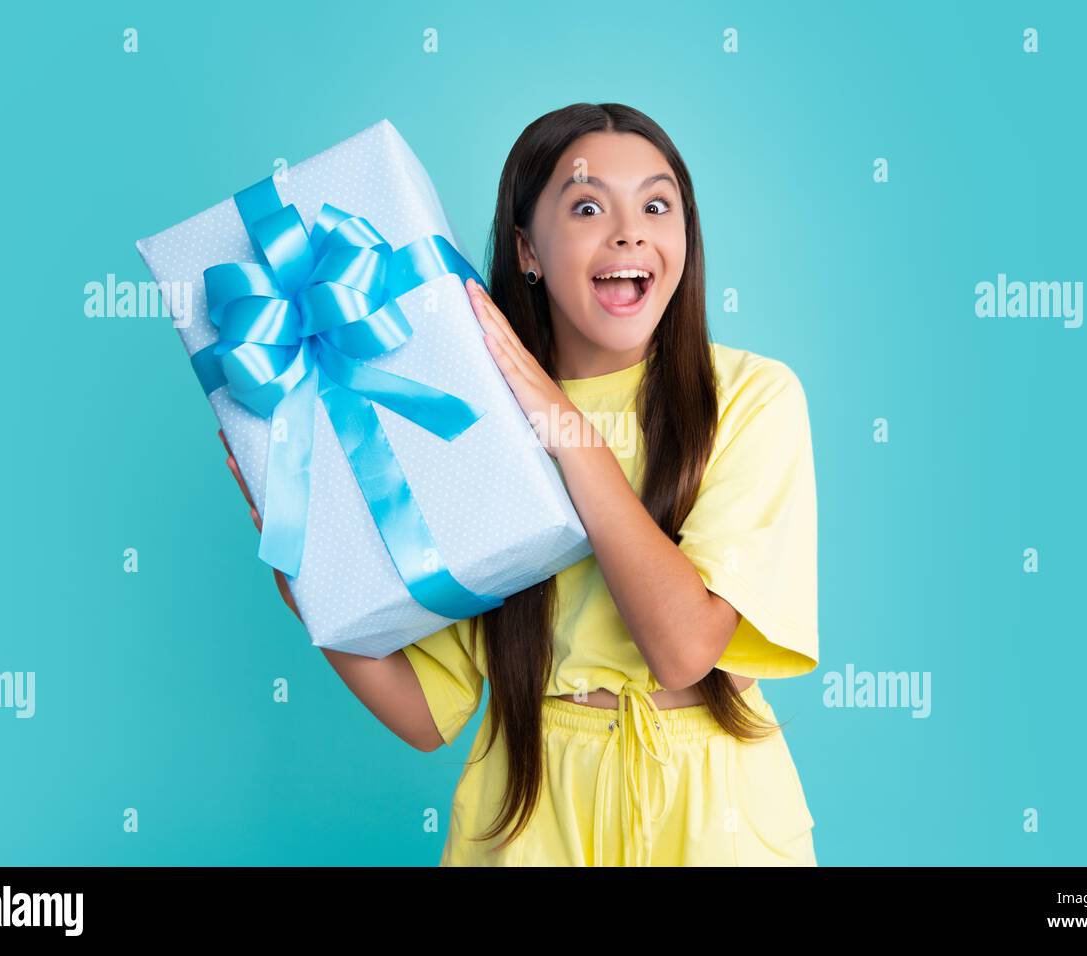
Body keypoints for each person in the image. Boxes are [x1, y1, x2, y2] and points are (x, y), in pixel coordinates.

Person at [220, 102, 821, 866]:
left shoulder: (752, 398)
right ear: (526, 250)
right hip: (533, 809)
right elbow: (425, 714)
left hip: (717, 815)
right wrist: (308, 569)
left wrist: (560, 423)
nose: (630, 230)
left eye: (658, 204)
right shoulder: (465, 423)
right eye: (588, 205)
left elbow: (682, 650)